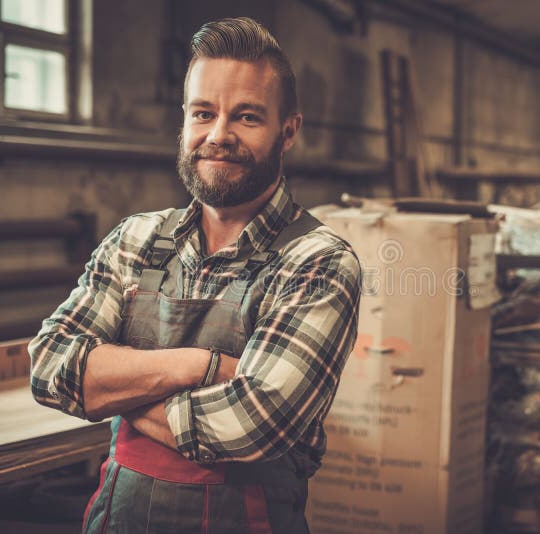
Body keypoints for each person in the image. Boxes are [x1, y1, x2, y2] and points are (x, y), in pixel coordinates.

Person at [29, 17, 361, 533]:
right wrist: (203, 366)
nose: (219, 135)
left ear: (288, 131)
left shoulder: (317, 263)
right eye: (203, 113)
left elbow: (249, 426)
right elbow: (50, 366)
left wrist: (108, 390)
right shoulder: (135, 240)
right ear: (184, 121)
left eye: (247, 117)